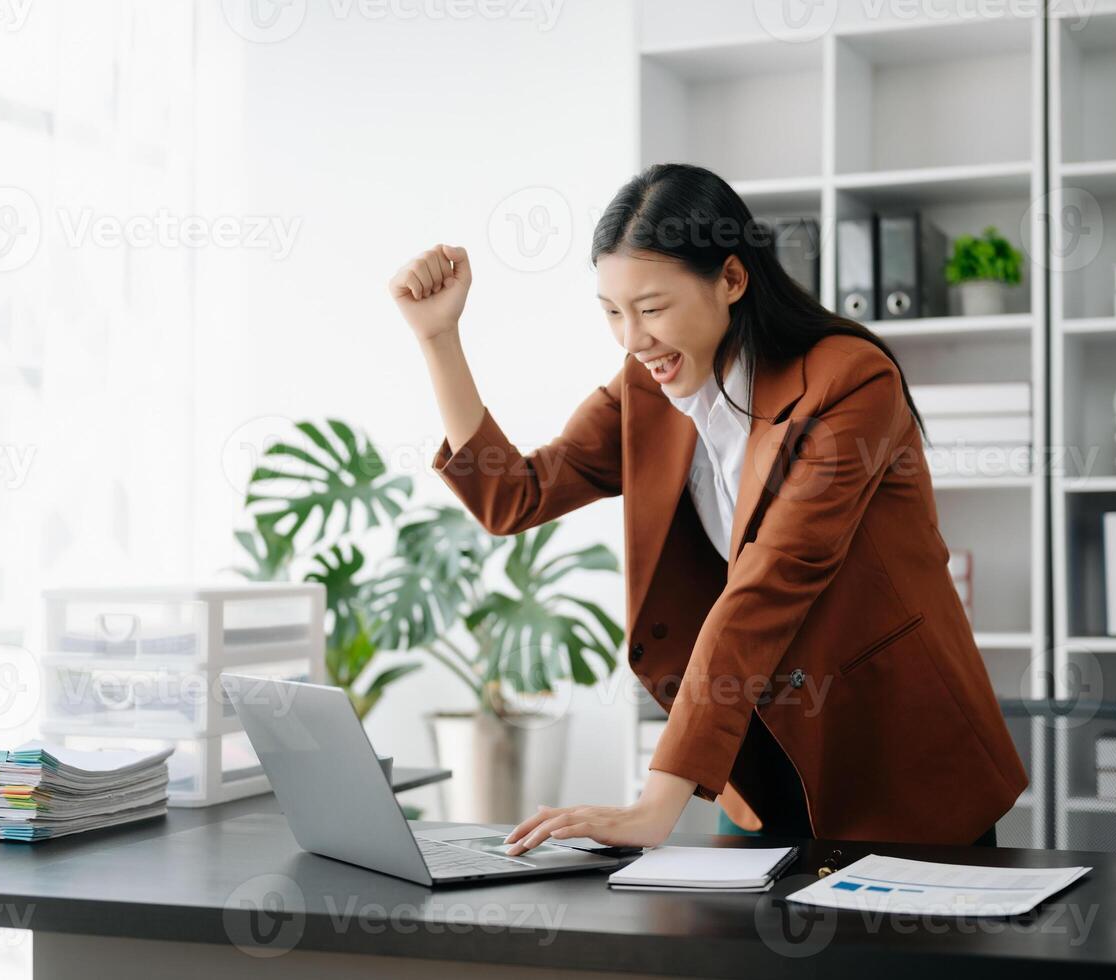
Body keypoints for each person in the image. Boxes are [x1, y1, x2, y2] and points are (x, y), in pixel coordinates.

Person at [386, 162, 1026, 856]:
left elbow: (769, 581)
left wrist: (653, 805)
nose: (631, 339)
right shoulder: (645, 387)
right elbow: (512, 495)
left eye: (652, 308)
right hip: (756, 754)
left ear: (730, 279)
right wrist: (437, 337)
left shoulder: (848, 381)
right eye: (611, 311)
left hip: (896, 759)